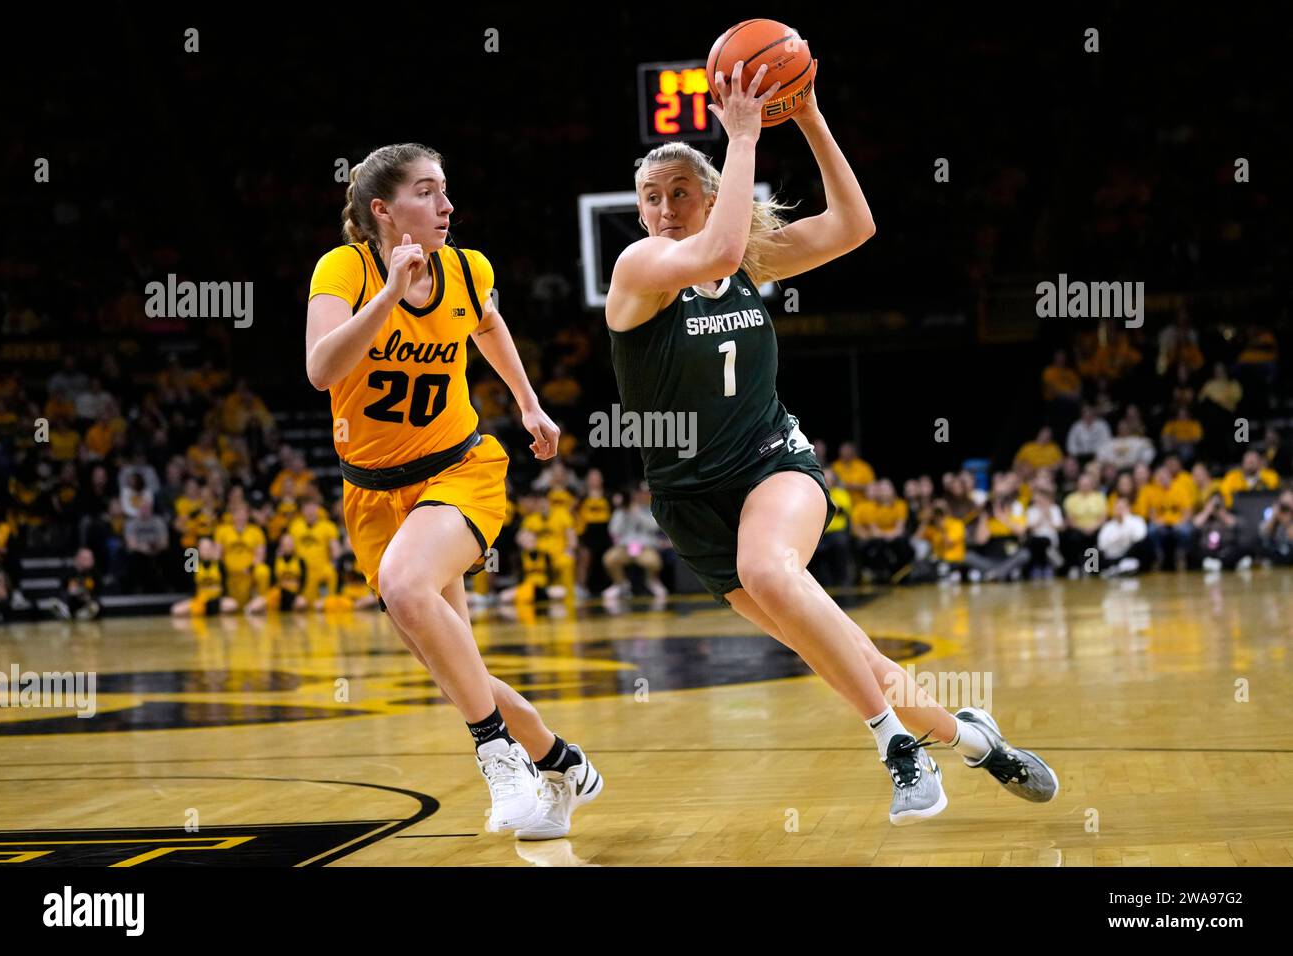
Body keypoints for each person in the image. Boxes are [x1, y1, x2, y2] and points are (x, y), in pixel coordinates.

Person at [604, 62, 1056, 825]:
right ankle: (974, 741)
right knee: (848, 652)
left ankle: (897, 750)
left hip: (772, 465)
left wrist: (807, 119)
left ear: (713, 198)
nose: (664, 207)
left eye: (682, 191)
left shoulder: (744, 257)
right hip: (688, 502)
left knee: (771, 569)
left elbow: (854, 226)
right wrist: (743, 134)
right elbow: (708, 255)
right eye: (652, 197)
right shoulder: (640, 269)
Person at [305, 142, 600, 840]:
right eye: (428, 192)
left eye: (446, 191)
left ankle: (499, 761)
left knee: (408, 591)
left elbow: (488, 323)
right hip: (373, 496)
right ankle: (560, 761)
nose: (447, 206)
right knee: (454, 666)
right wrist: (385, 294)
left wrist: (526, 402)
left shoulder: (469, 269)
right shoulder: (344, 268)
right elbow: (321, 369)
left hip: (459, 470)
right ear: (383, 210)